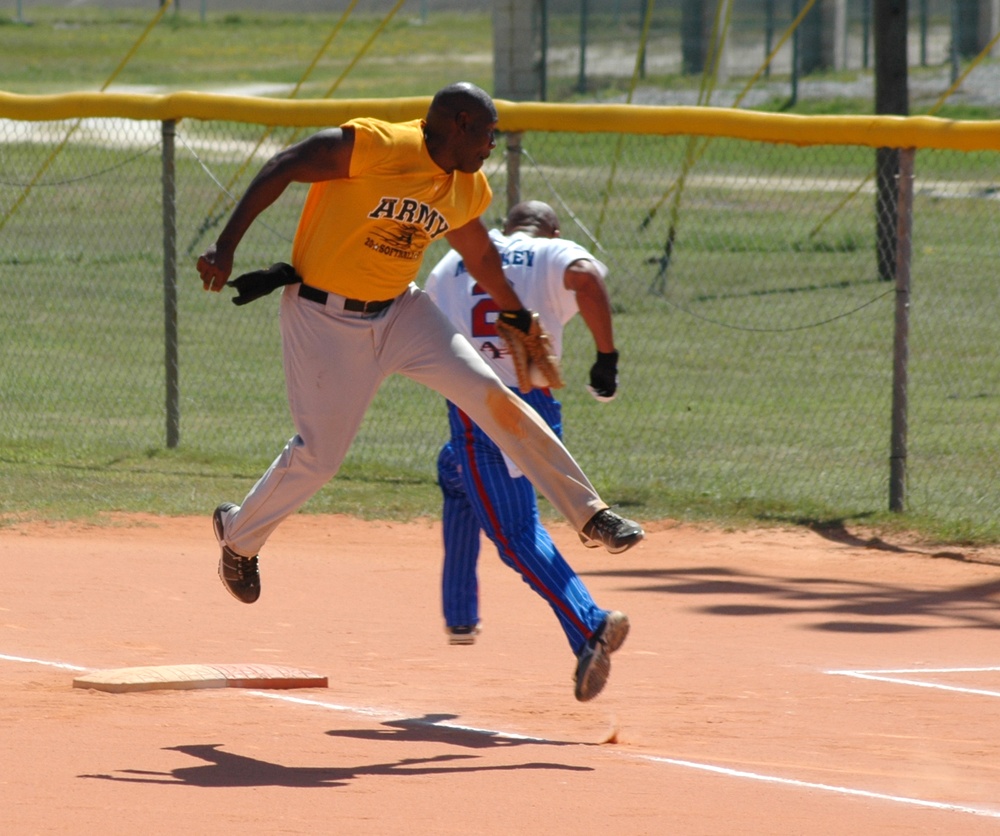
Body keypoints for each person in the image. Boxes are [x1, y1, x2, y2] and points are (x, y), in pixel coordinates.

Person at [195, 82, 644, 700]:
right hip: (324, 320)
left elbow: (482, 257)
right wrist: (226, 244)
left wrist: (514, 316)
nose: (493, 144)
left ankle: (591, 515)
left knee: (494, 395)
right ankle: (238, 537)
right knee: (321, 456)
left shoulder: (464, 185)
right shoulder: (378, 145)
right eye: (487, 133)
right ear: (457, 124)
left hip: (403, 313)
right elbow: (285, 165)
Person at [425, 200, 629, 701]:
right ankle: (460, 615)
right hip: (530, 409)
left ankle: (590, 625)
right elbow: (585, 278)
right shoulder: (550, 250)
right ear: (550, 227)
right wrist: (606, 358)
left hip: (475, 407)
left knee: (516, 531)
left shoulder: (452, 262)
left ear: (504, 226)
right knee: (453, 470)